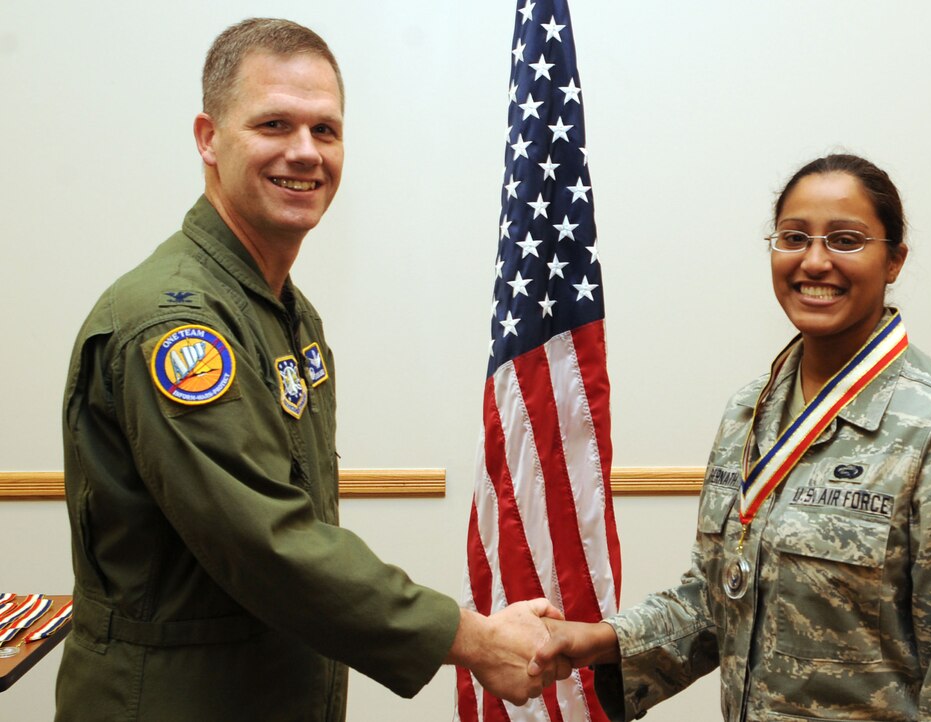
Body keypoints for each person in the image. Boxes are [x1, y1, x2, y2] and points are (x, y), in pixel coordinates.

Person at [56, 18, 560, 721]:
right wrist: (471, 639)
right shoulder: (178, 327)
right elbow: (266, 543)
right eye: (274, 125)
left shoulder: (285, 312)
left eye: (325, 130)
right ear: (209, 138)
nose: (305, 152)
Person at [529, 154, 931, 720]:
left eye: (846, 240)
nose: (814, 262)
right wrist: (600, 640)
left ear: (894, 260)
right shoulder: (749, 412)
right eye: (794, 237)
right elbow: (715, 596)